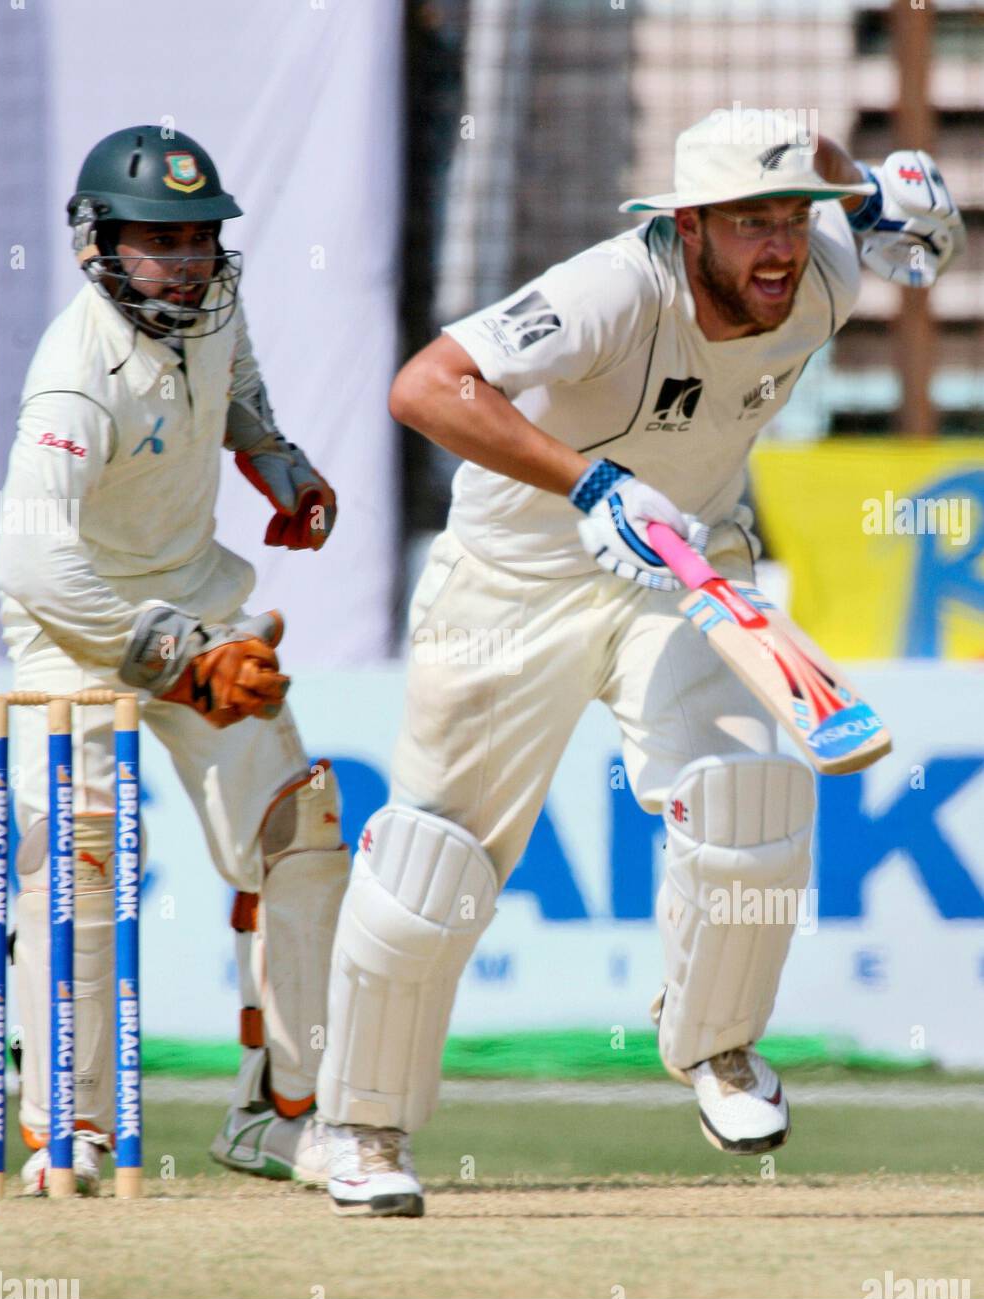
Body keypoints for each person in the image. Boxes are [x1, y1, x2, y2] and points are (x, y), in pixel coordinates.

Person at [312, 111, 965, 1216]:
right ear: (689, 225)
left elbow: (881, 219)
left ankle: (712, 1045)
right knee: (433, 867)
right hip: (514, 582)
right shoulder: (610, 289)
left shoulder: (821, 268)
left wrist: (864, 188)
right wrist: (591, 485)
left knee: (752, 795)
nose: (776, 247)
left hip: (686, 568)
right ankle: (362, 1128)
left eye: (791, 219)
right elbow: (426, 385)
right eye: (748, 222)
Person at [0, 125, 348, 1195]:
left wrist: (280, 466)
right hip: (75, 630)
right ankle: (74, 1127)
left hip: (195, 592)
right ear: (98, 244)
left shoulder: (216, 310)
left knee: (300, 837)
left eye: (201, 239)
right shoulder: (71, 378)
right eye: (161, 242)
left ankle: (284, 1111)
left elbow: (235, 390)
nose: (188, 263)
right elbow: (31, 564)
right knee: (83, 867)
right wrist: (180, 662)